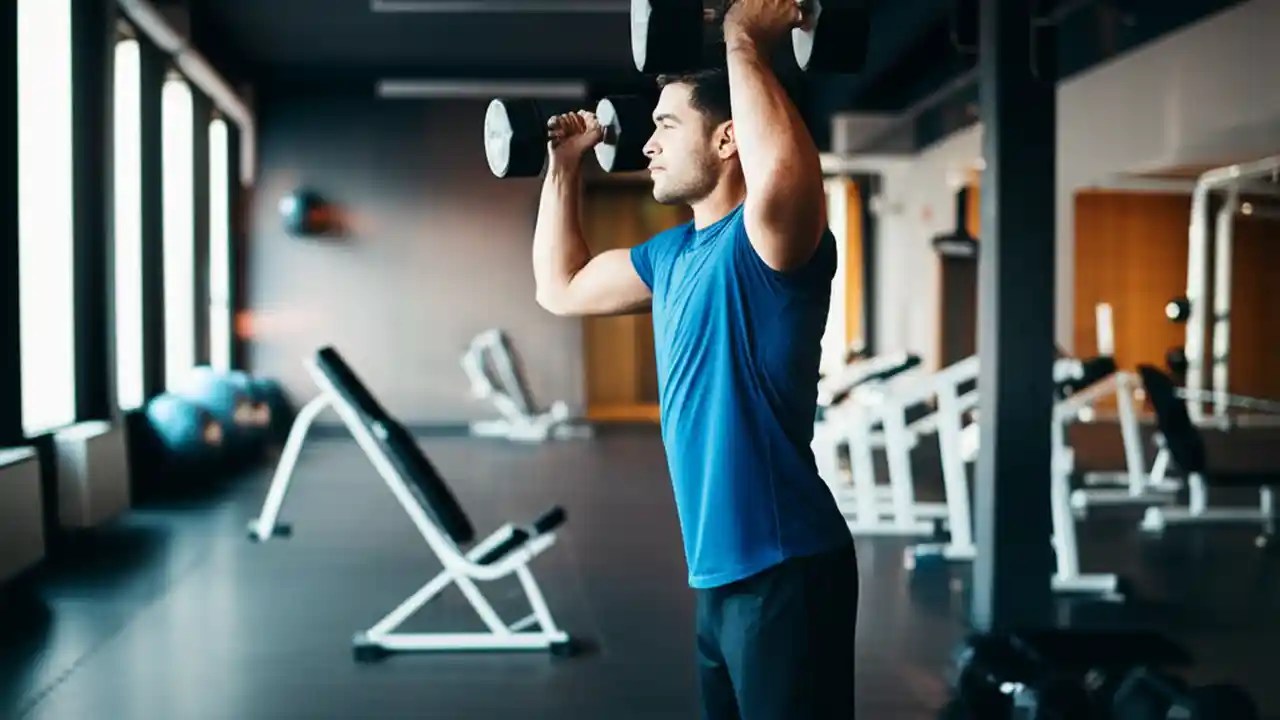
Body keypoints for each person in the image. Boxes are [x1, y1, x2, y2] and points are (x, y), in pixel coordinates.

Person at [530, 1, 858, 717]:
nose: (647, 144)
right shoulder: (673, 255)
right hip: (718, 572)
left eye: (666, 126)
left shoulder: (769, 242)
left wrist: (745, 38)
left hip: (784, 565)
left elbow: (787, 180)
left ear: (728, 140)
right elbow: (560, 289)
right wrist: (563, 169)